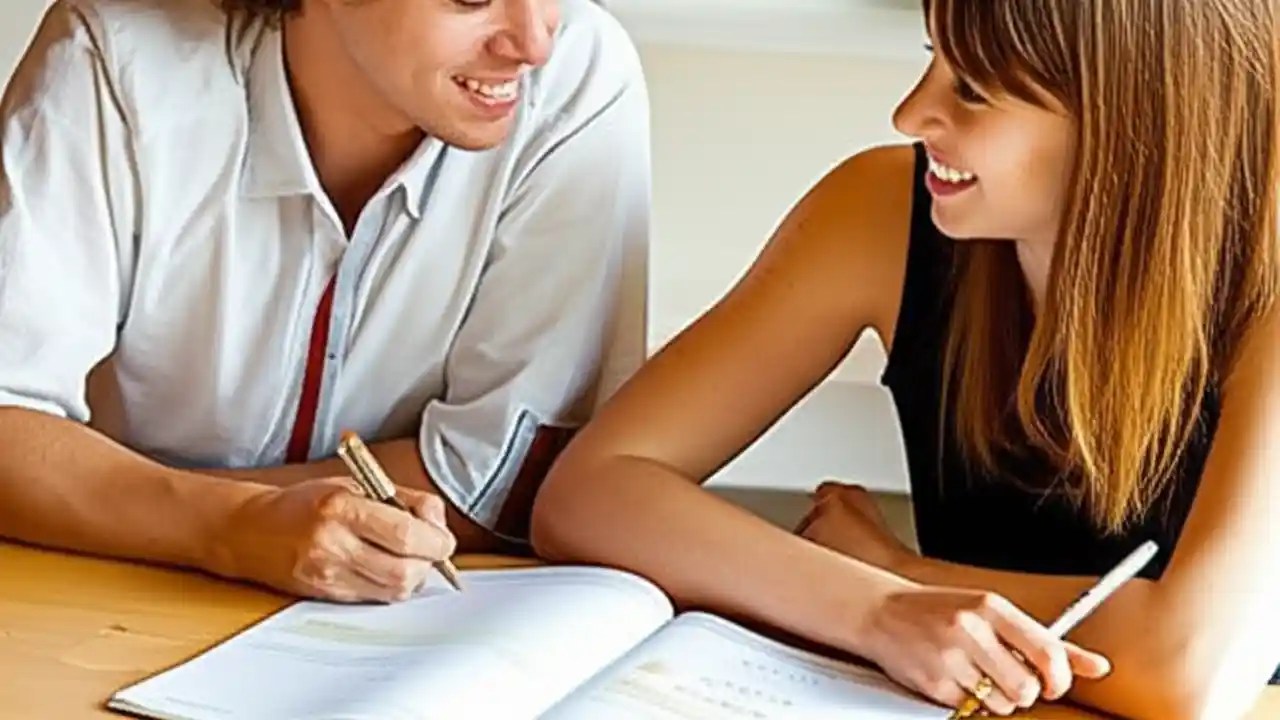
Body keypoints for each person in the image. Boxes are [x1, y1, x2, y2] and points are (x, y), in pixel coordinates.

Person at [530, 0, 1280, 717]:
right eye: (934, 58)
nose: (911, 114)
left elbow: (1189, 669)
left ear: (1135, 121)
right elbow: (587, 495)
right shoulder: (881, 212)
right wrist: (875, 609)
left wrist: (901, 572)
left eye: (975, 90)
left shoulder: (1267, 291)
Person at [0, 0, 648, 604]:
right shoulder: (117, 55)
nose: (534, 42)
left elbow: (495, 482)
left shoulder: (578, 84)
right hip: (105, 600)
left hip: (400, 628)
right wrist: (231, 527)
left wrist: (116, 499)